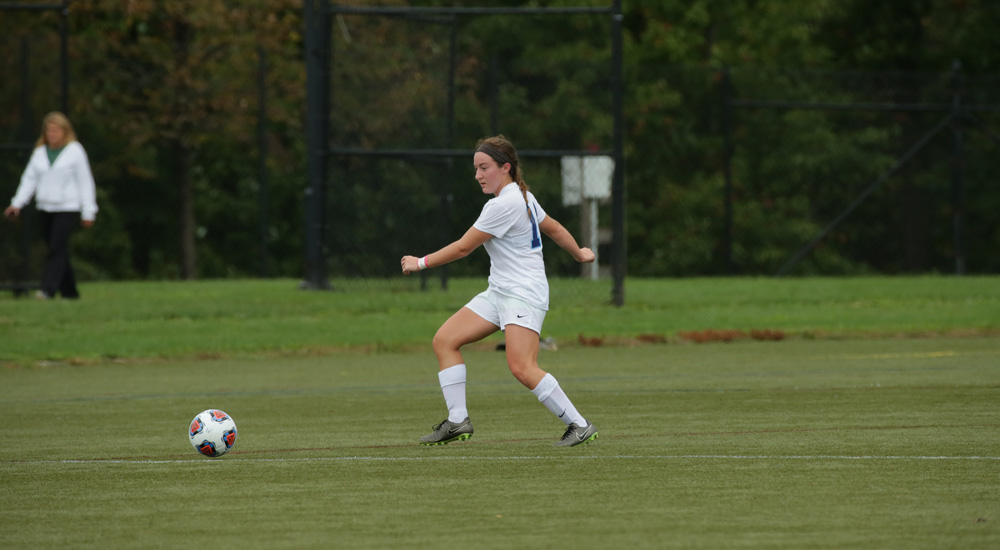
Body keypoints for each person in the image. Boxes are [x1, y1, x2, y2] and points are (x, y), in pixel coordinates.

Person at [401, 135, 598, 447]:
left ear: (505, 167)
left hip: (523, 294)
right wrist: (579, 254)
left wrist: (420, 262)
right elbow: (555, 228)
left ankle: (579, 423)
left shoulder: (503, 204)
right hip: (500, 292)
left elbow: (464, 248)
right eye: (476, 168)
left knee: (522, 368)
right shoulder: (523, 196)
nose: (478, 175)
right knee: (445, 340)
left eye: (484, 167)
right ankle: (457, 421)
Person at [5, 112, 98, 300]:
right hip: (45, 208)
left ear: (65, 132)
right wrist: (17, 204)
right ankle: (70, 292)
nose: (52, 134)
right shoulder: (39, 153)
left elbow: (85, 182)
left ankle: (47, 290)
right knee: (59, 250)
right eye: (49, 131)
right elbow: (29, 180)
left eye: (56, 131)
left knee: (56, 247)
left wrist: (89, 211)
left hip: (67, 207)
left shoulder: (75, 151)